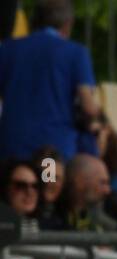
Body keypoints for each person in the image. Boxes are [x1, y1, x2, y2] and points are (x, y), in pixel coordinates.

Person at [0, 0, 97, 164]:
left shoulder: (8, 49)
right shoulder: (75, 53)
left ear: (34, 21)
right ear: (68, 24)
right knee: (48, 186)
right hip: (51, 151)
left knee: (19, 187)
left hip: (11, 147)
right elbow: (88, 108)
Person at [38, 153, 114, 233]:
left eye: (58, 178)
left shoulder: (93, 217)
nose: (50, 183)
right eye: (102, 182)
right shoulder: (53, 216)